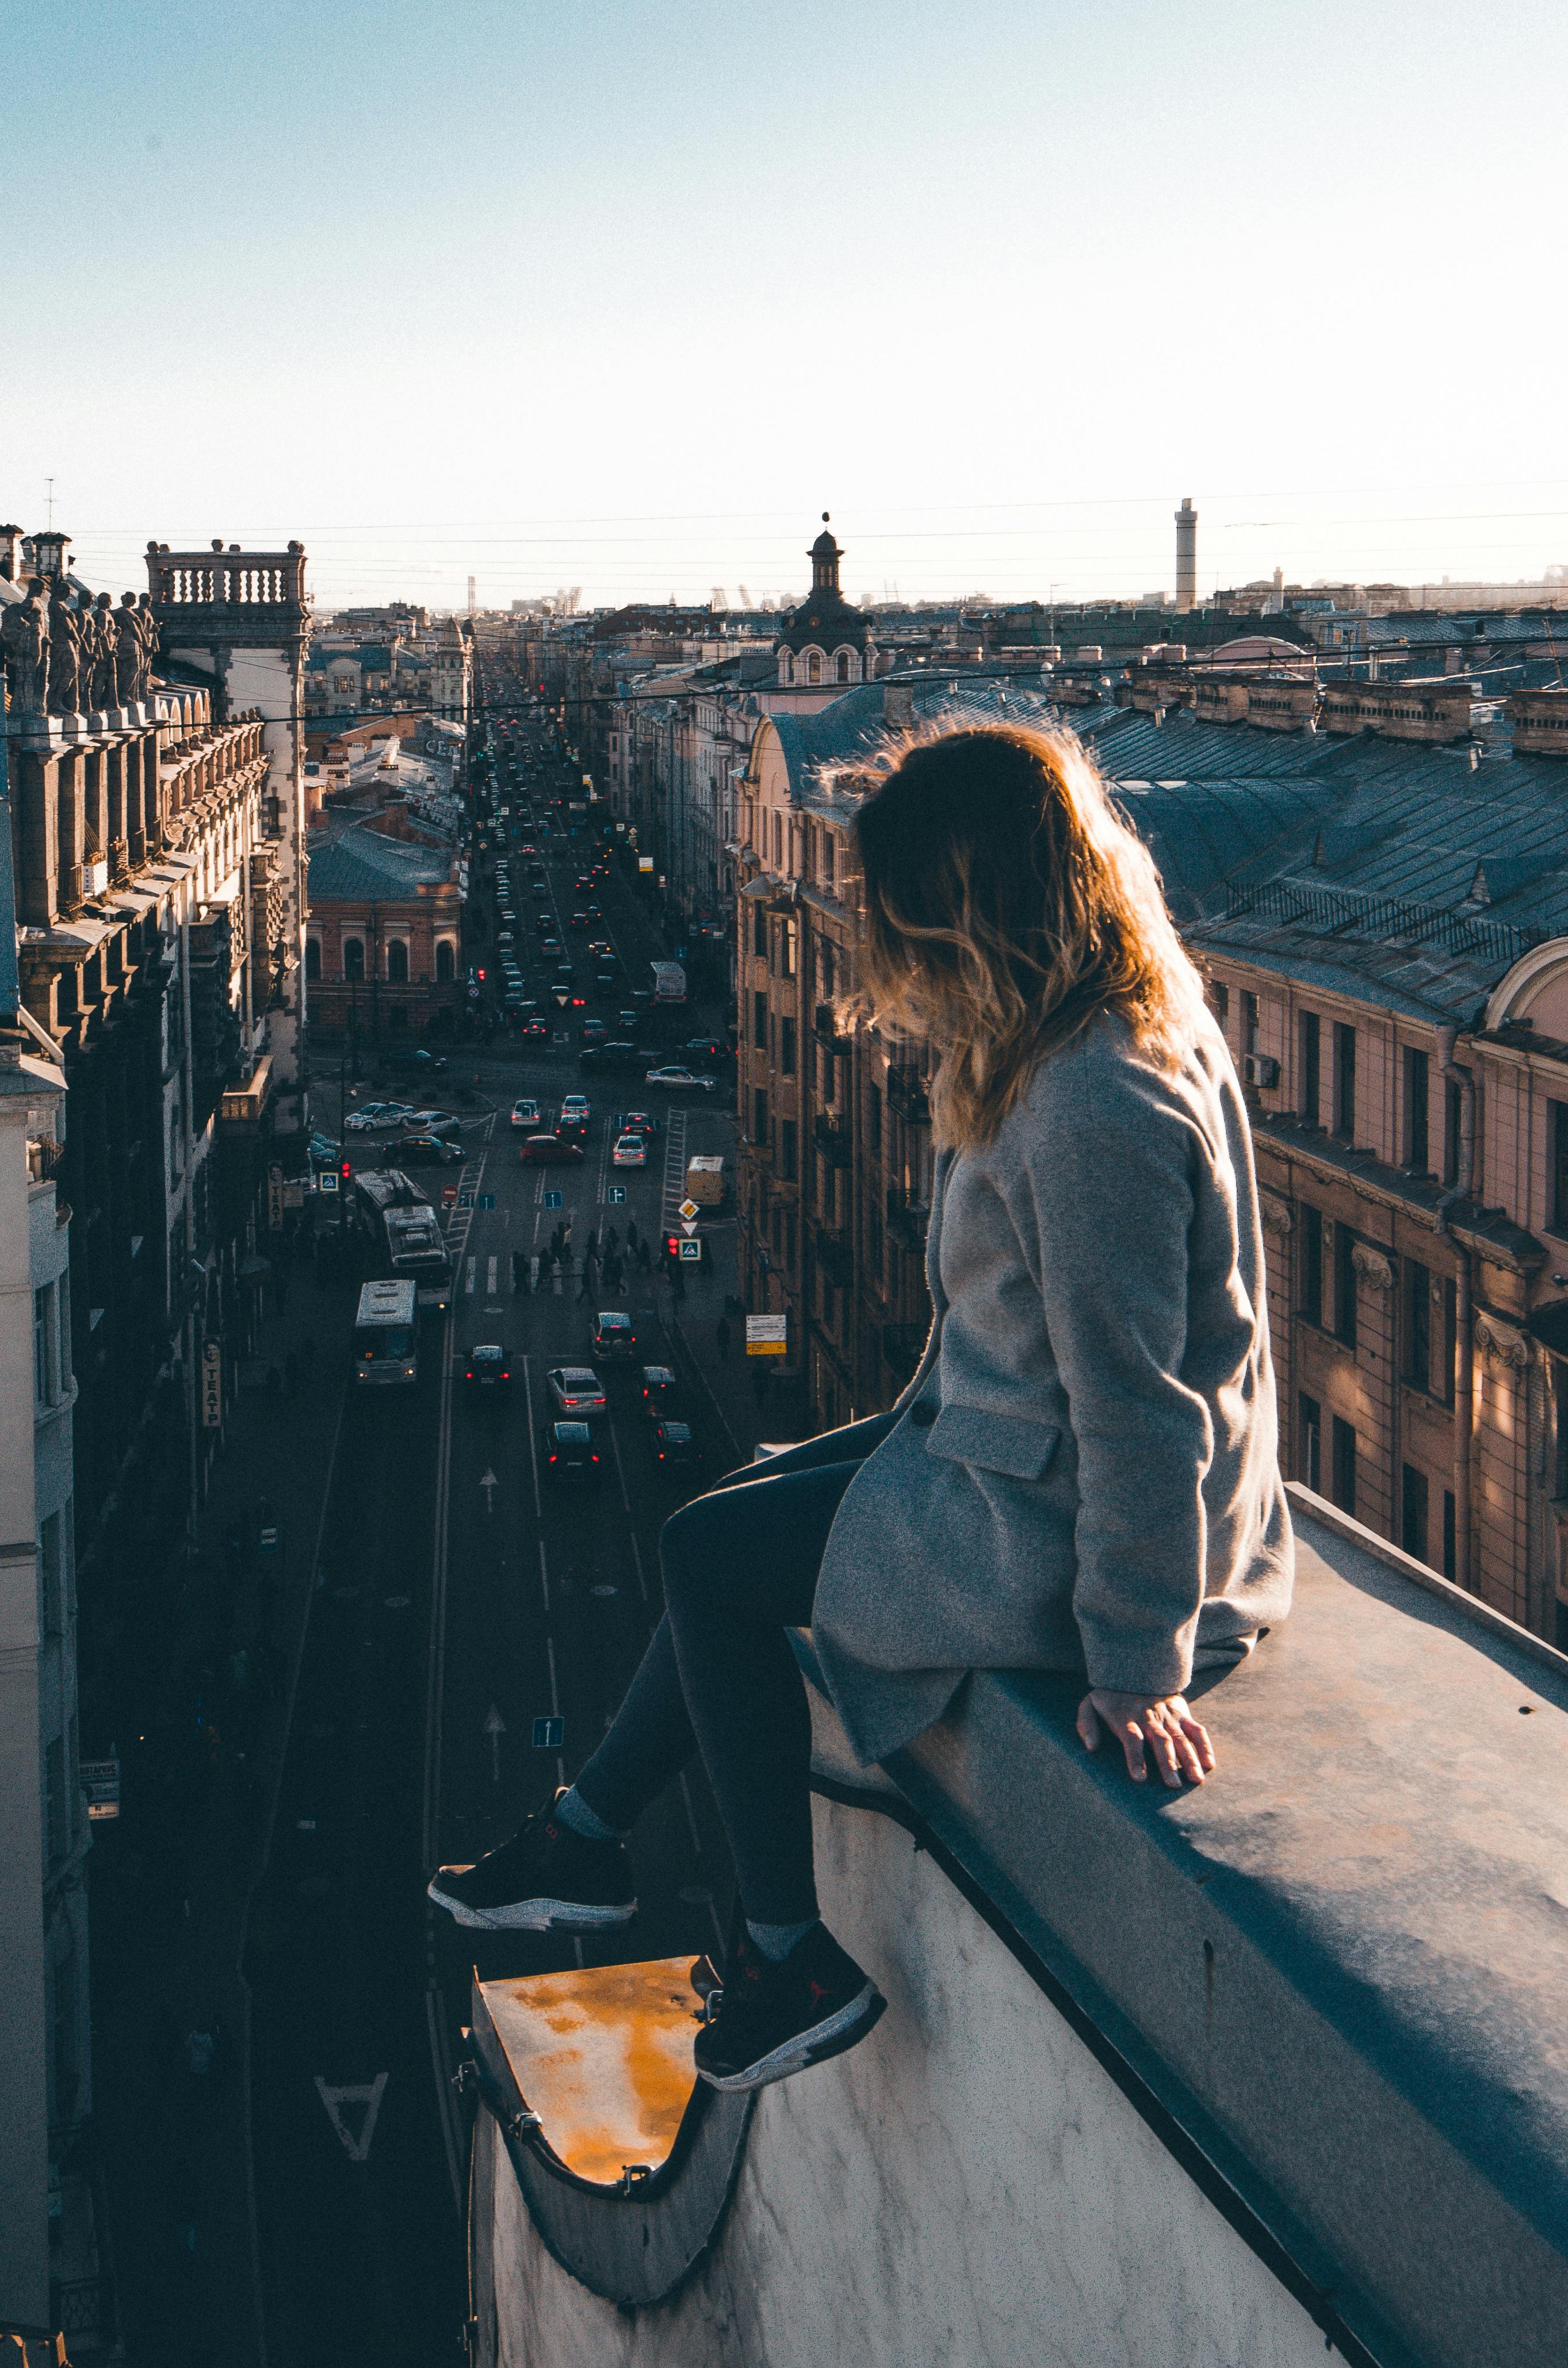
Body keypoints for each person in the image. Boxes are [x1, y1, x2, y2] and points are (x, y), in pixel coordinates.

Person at [430, 722, 1292, 2095]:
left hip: (1063, 1518)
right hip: (1017, 1447)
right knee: (733, 1508)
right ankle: (583, 1839)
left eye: (910, 930)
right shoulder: (1128, 1016)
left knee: (707, 1563)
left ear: (977, 911)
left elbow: (1140, 1402)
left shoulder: (1085, 1102)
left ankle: (786, 1956)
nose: (900, 967)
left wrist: (1136, 1657)